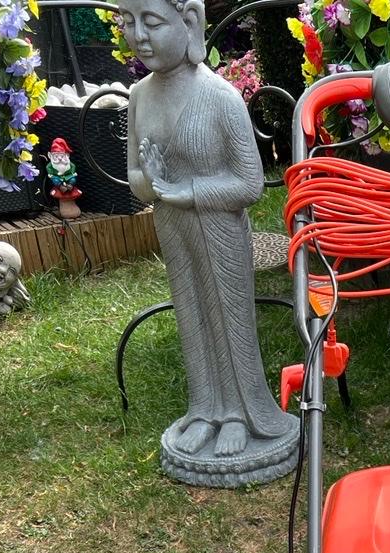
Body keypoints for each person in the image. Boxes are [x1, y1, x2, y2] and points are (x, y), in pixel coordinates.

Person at [122, 0, 298, 484]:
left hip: (218, 227)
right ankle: (204, 409)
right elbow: (135, 176)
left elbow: (249, 184)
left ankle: (242, 414)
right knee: (189, 311)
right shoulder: (139, 95)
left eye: (152, 22)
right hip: (171, 224)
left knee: (227, 314)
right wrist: (151, 181)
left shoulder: (219, 98)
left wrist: (189, 191)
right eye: (127, 22)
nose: (139, 34)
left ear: (190, 22)